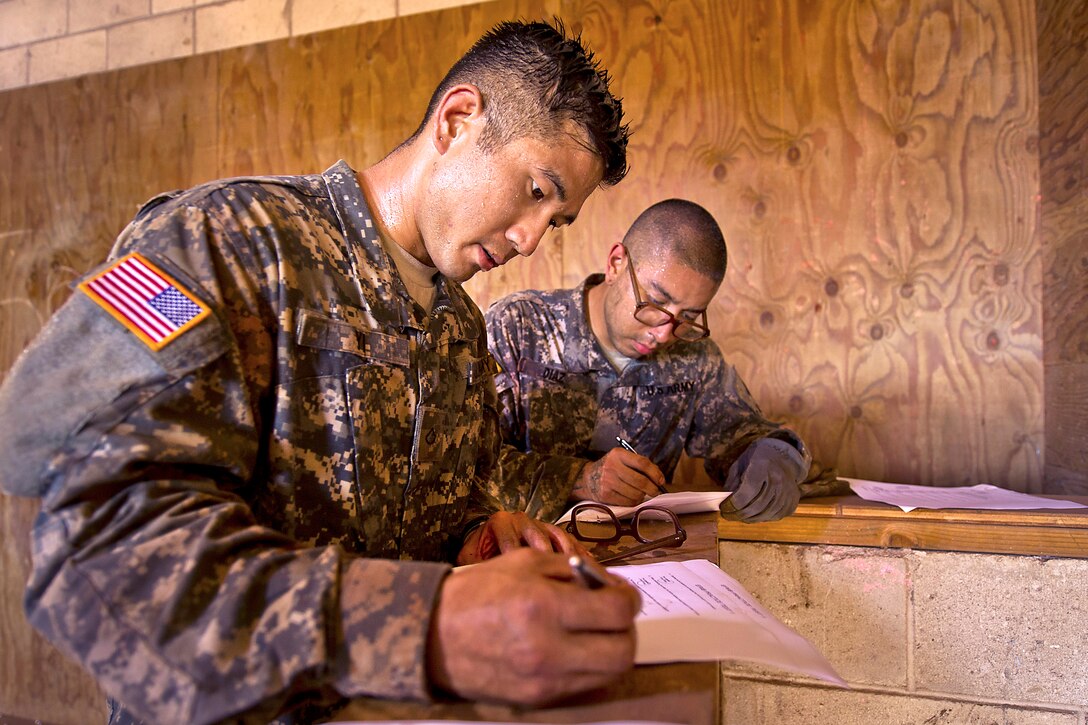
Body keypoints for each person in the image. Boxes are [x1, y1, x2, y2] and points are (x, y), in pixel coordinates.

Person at [0, 20, 641, 725]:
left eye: (555, 220)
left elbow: (434, 519)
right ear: (459, 120)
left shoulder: (460, 326)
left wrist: (487, 533)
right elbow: (99, 546)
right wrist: (422, 625)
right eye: (534, 189)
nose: (528, 238)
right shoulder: (219, 238)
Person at [484, 198, 820, 525]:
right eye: (656, 302)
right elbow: (466, 466)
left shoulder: (694, 357)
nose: (664, 334)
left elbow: (742, 438)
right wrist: (579, 480)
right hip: (521, 559)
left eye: (688, 316)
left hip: (642, 559)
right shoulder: (518, 327)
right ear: (616, 264)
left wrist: (776, 456)